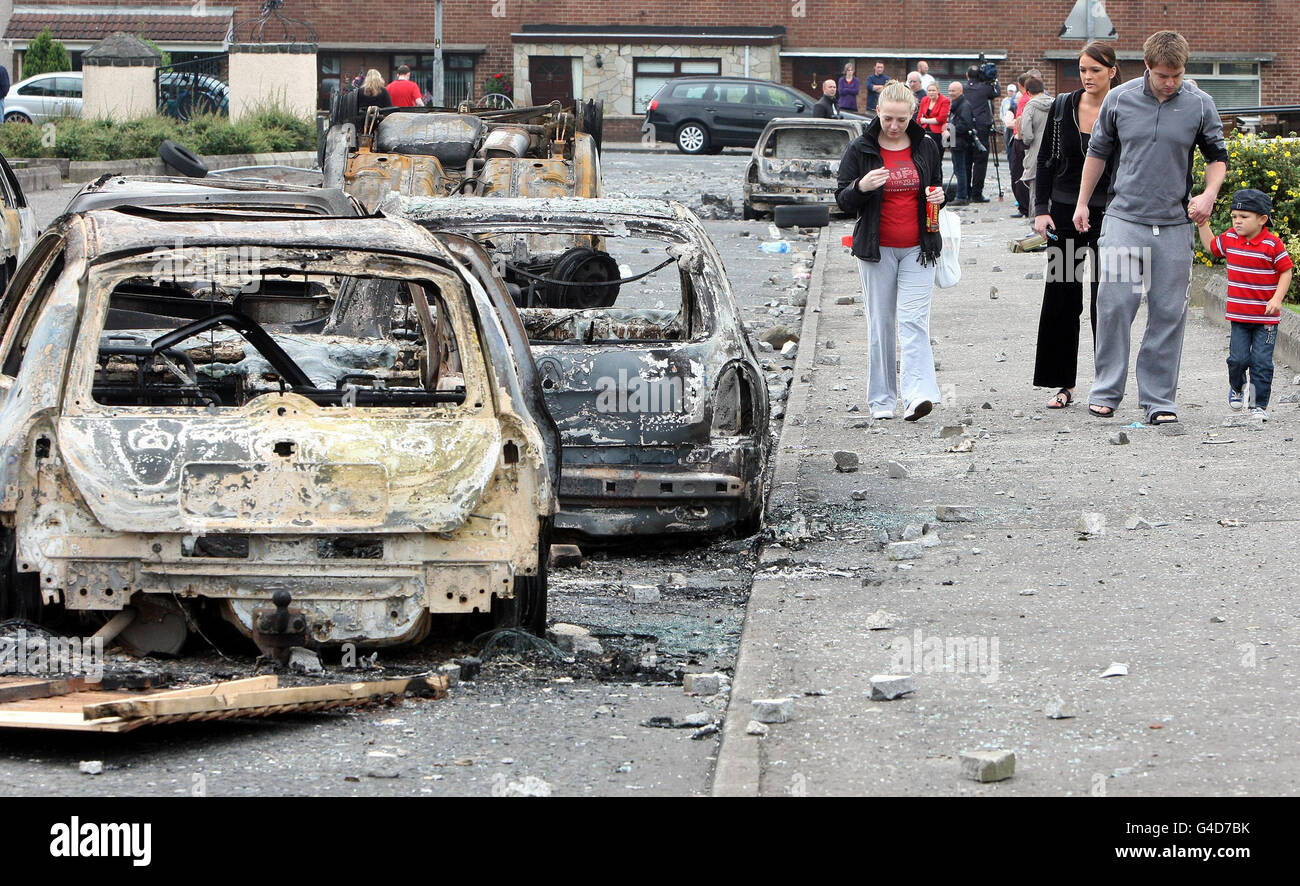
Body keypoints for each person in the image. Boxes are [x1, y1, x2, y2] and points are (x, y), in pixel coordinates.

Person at [1074, 30, 1228, 424]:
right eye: (1162, 75)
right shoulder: (1119, 99)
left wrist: (1209, 194)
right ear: (1147, 67)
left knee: (1167, 312)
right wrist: (1081, 204)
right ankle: (1106, 390)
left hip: (1175, 224)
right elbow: (1098, 153)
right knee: (1115, 306)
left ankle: (1159, 400)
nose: (1170, 82)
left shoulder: (1199, 104)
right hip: (1125, 219)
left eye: (1176, 74)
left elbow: (1216, 156)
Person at [836, 81, 947, 422]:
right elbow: (842, 199)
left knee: (913, 322)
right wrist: (862, 186)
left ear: (912, 115)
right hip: (876, 249)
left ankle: (917, 397)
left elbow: (939, 188)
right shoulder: (860, 149)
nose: (894, 126)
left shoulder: (926, 146)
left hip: (920, 248)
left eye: (901, 119)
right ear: (877, 113)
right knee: (881, 325)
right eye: (888, 119)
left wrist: (942, 197)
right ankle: (882, 400)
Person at [1031, 41, 1120, 409]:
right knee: (1062, 298)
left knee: (1108, 301)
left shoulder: (1123, 106)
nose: (1087, 76)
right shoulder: (1062, 106)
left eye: (1095, 70)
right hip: (1066, 214)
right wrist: (1041, 209)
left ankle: (1105, 386)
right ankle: (1062, 383)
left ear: (1112, 71)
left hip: (1113, 216)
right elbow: (1045, 161)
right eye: (1082, 69)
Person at [1196, 189, 1294, 419]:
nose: (1237, 221)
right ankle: (1237, 386)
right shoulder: (1230, 238)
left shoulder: (1272, 244)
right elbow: (1212, 246)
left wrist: (1277, 298)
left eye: (1244, 216)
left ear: (1262, 219)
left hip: (1266, 319)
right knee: (1238, 359)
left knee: (1261, 362)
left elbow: (1286, 271)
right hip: (1239, 316)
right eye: (1234, 216)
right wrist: (1202, 223)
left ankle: (1258, 405)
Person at [1013, 77, 1050, 218]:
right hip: (1054, 154)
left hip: (1036, 154)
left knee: (1036, 191)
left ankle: (1037, 227)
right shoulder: (1055, 103)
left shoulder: (1030, 105)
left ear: (1027, 92)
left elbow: (1027, 135)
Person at [962, 65, 997, 202]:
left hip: (966, 126)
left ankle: (965, 192)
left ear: (967, 75)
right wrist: (992, 80)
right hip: (982, 127)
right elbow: (996, 92)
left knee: (966, 161)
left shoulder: (963, 88)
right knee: (980, 161)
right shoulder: (985, 88)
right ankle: (977, 194)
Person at [946, 81, 975, 205]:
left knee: (960, 169)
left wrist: (950, 131)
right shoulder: (957, 104)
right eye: (950, 90)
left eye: (954, 91)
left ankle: (962, 196)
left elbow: (965, 125)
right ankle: (962, 195)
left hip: (960, 141)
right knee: (958, 168)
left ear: (961, 91)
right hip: (956, 141)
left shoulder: (964, 106)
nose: (951, 93)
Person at [917, 80, 949, 164]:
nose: (931, 92)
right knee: (925, 158)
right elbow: (919, 118)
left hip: (938, 132)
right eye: (929, 90)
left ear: (938, 91)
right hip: (924, 131)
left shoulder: (944, 100)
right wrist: (923, 121)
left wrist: (925, 120)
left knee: (937, 159)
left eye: (933, 90)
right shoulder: (924, 99)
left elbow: (941, 119)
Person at [1000, 82, 1019, 171]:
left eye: (1012, 91)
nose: (1011, 93)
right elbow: (1002, 111)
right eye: (1009, 91)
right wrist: (1004, 120)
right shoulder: (1004, 101)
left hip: (1013, 126)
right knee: (1007, 139)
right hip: (1006, 124)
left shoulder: (1015, 101)